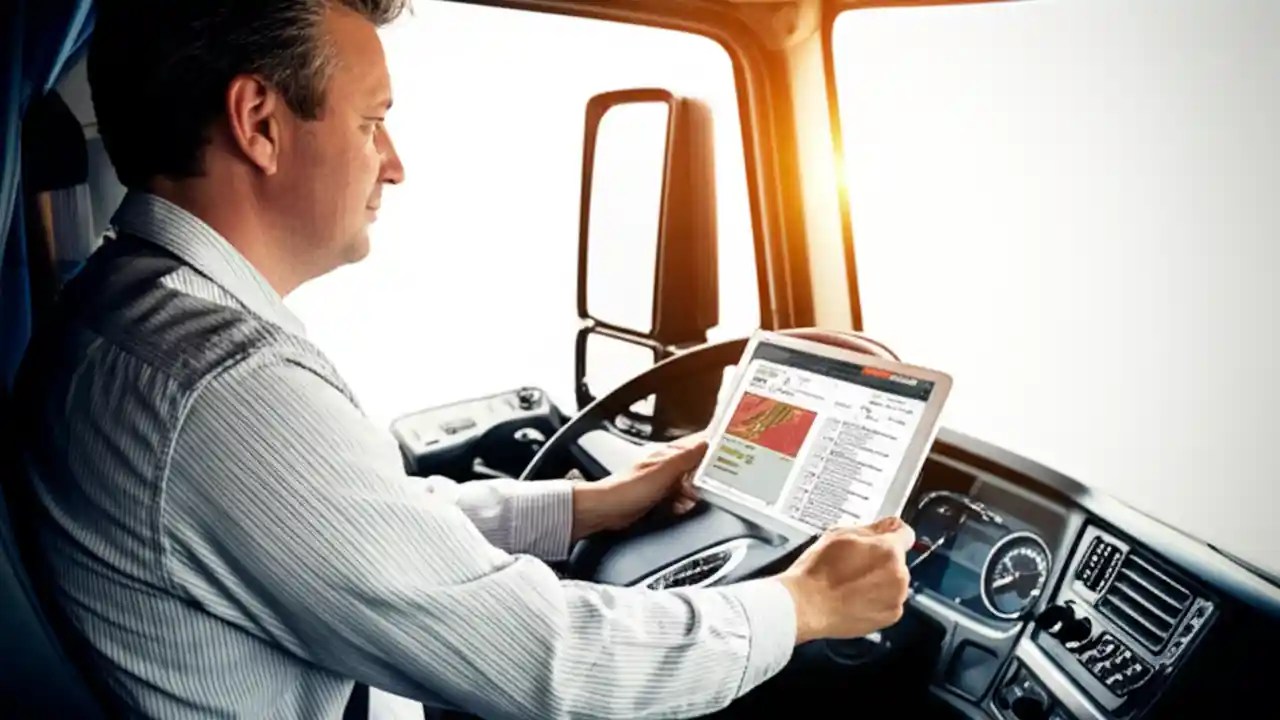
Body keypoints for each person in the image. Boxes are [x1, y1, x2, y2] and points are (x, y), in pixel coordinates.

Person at [13, 1, 916, 718]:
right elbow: (547, 666)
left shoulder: (122, 309)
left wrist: (586, 505)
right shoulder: (222, 386)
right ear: (259, 122)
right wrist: (802, 606)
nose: (393, 164)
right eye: (372, 123)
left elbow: (368, 526)